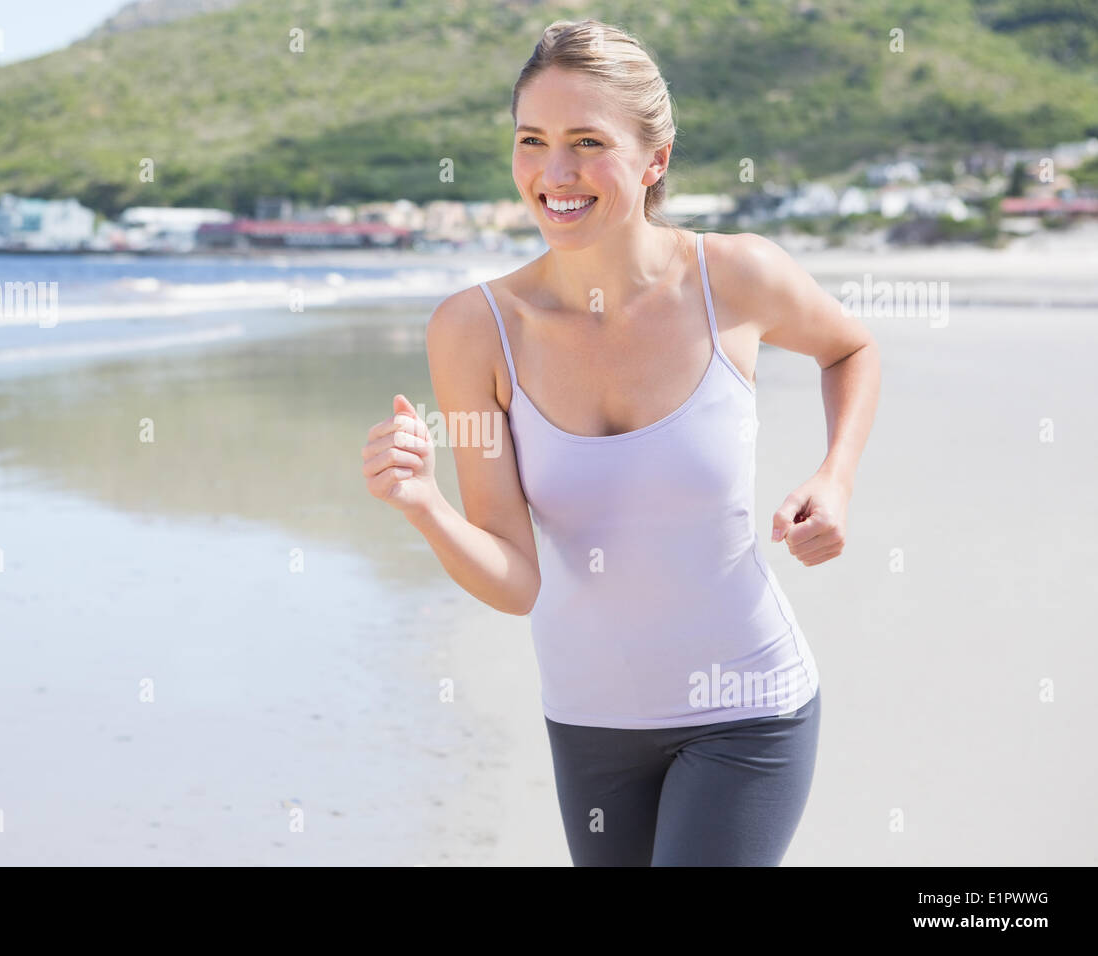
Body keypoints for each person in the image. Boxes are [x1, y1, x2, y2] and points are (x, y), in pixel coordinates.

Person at [361, 18, 879, 865]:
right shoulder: (474, 329)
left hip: (748, 708)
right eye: (532, 140)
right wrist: (423, 506)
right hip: (589, 725)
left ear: (656, 159)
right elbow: (517, 579)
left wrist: (837, 476)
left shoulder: (734, 278)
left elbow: (851, 347)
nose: (554, 174)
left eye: (587, 142)